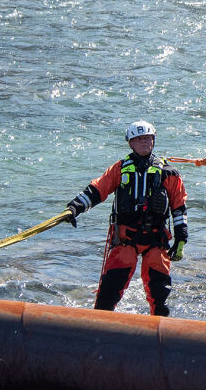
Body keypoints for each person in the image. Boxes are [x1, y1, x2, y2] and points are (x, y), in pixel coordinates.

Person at [64, 121, 187, 315]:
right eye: (139, 139)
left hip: (156, 240)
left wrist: (181, 240)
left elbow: (179, 208)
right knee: (108, 294)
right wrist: (73, 208)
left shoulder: (169, 173)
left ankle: (158, 336)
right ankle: (99, 328)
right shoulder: (119, 169)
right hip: (125, 239)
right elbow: (97, 190)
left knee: (160, 297)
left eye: (147, 138)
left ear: (154, 141)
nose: (144, 142)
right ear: (131, 143)